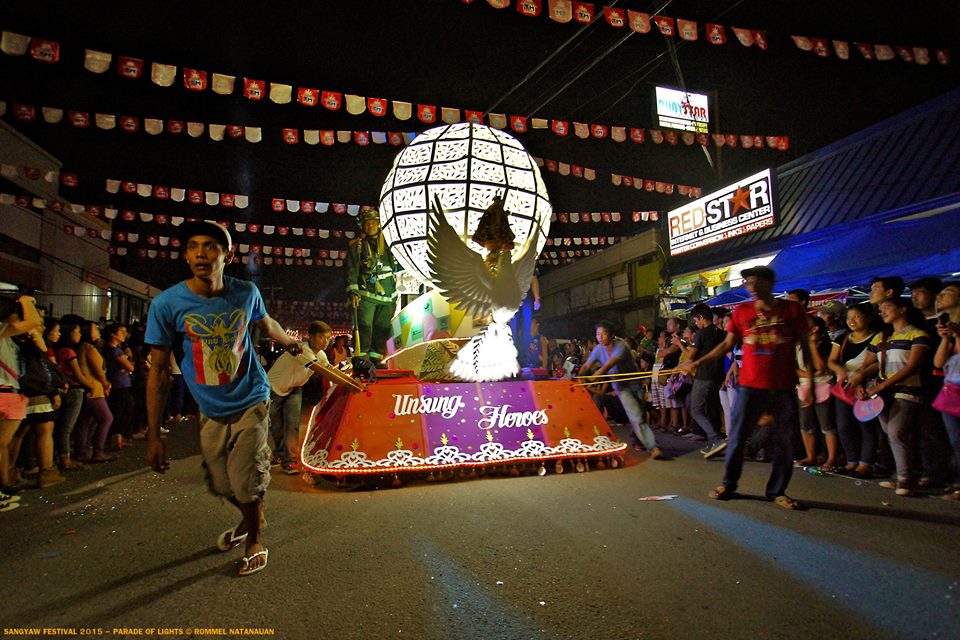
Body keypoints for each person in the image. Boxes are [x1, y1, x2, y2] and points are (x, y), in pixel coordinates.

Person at [145, 221, 301, 577]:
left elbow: (267, 323)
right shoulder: (166, 304)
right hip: (210, 409)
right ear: (186, 256)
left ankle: (255, 538)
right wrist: (154, 435)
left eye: (212, 246)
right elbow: (156, 372)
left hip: (251, 398)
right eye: (194, 246)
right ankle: (253, 514)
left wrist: (290, 341)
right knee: (221, 483)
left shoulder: (245, 292)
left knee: (244, 477)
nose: (202, 253)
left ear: (227, 256)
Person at [683, 266, 820, 510]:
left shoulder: (792, 310)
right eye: (748, 283)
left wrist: (808, 382)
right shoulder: (742, 312)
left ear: (770, 283)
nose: (752, 288)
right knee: (736, 438)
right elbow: (727, 345)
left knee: (785, 441)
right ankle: (728, 484)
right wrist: (699, 360)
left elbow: (806, 348)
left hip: (783, 388)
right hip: (749, 387)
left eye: (757, 283)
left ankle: (777, 491)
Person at [849, 297, 929, 496]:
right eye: (880, 309)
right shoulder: (882, 337)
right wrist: (859, 383)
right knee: (894, 435)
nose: (882, 311)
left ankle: (904, 480)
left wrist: (883, 385)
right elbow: (865, 366)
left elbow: (912, 367)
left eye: (887, 307)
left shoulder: (917, 334)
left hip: (906, 391)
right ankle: (904, 475)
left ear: (903, 309)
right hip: (881, 394)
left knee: (896, 433)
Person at [580, 320, 662, 459]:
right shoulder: (599, 348)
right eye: (597, 334)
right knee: (636, 415)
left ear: (611, 335)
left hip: (634, 383)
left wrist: (591, 379)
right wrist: (580, 376)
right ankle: (653, 447)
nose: (600, 337)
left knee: (640, 415)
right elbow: (587, 365)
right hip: (621, 387)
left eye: (603, 334)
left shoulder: (621, 346)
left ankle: (637, 439)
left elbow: (607, 367)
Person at [267, 320, 334, 474]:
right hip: (273, 388)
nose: (326, 342)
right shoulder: (301, 350)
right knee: (276, 425)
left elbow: (331, 370)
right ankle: (279, 455)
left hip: (295, 388)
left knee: (292, 424)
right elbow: (323, 370)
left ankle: (289, 461)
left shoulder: (321, 354)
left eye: (328, 338)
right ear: (310, 337)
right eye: (321, 338)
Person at [828, 303, 881, 477]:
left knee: (865, 425)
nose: (852, 321)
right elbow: (832, 361)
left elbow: (879, 362)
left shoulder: (877, 337)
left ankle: (865, 463)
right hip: (844, 387)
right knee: (843, 425)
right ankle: (851, 460)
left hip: (866, 388)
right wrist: (840, 370)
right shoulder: (842, 339)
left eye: (856, 317)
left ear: (867, 318)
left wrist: (861, 375)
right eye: (849, 317)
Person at [0, 293, 42, 508]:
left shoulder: (8, 337)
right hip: (5, 393)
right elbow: (34, 321)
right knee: (1, 444)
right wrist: (26, 300)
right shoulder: (2, 330)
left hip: (10, 393)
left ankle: (4, 486)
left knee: (3, 445)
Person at [346, 209, 400, 366]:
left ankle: (376, 361)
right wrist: (353, 291)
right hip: (366, 294)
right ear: (363, 226)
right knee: (365, 326)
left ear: (379, 224)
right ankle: (362, 360)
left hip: (388, 293)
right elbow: (352, 269)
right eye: (367, 223)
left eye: (374, 223)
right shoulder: (357, 246)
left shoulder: (390, 244)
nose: (371, 226)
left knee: (382, 328)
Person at [685, 304, 728, 457]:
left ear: (702, 318)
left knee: (696, 410)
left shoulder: (701, 334)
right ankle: (715, 443)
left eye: (696, 320)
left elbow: (690, 357)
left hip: (704, 376)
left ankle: (716, 439)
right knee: (712, 409)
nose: (696, 324)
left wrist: (682, 368)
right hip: (717, 376)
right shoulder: (721, 334)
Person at [74, 321, 115, 463]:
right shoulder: (89, 348)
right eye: (94, 329)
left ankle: (81, 451)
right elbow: (98, 371)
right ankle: (98, 451)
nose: (97, 331)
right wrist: (106, 383)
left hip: (89, 389)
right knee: (106, 418)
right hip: (94, 389)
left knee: (85, 421)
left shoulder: (83, 347)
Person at [102, 324, 136, 450]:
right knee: (121, 411)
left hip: (121, 383)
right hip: (119, 385)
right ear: (113, 334)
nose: (124, 334)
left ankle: (118, 437)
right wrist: (128, 363)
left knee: (123, 410)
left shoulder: (116, 349)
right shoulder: (114, 350)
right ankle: (115, 437)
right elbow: (130, 367)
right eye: (122, 332)